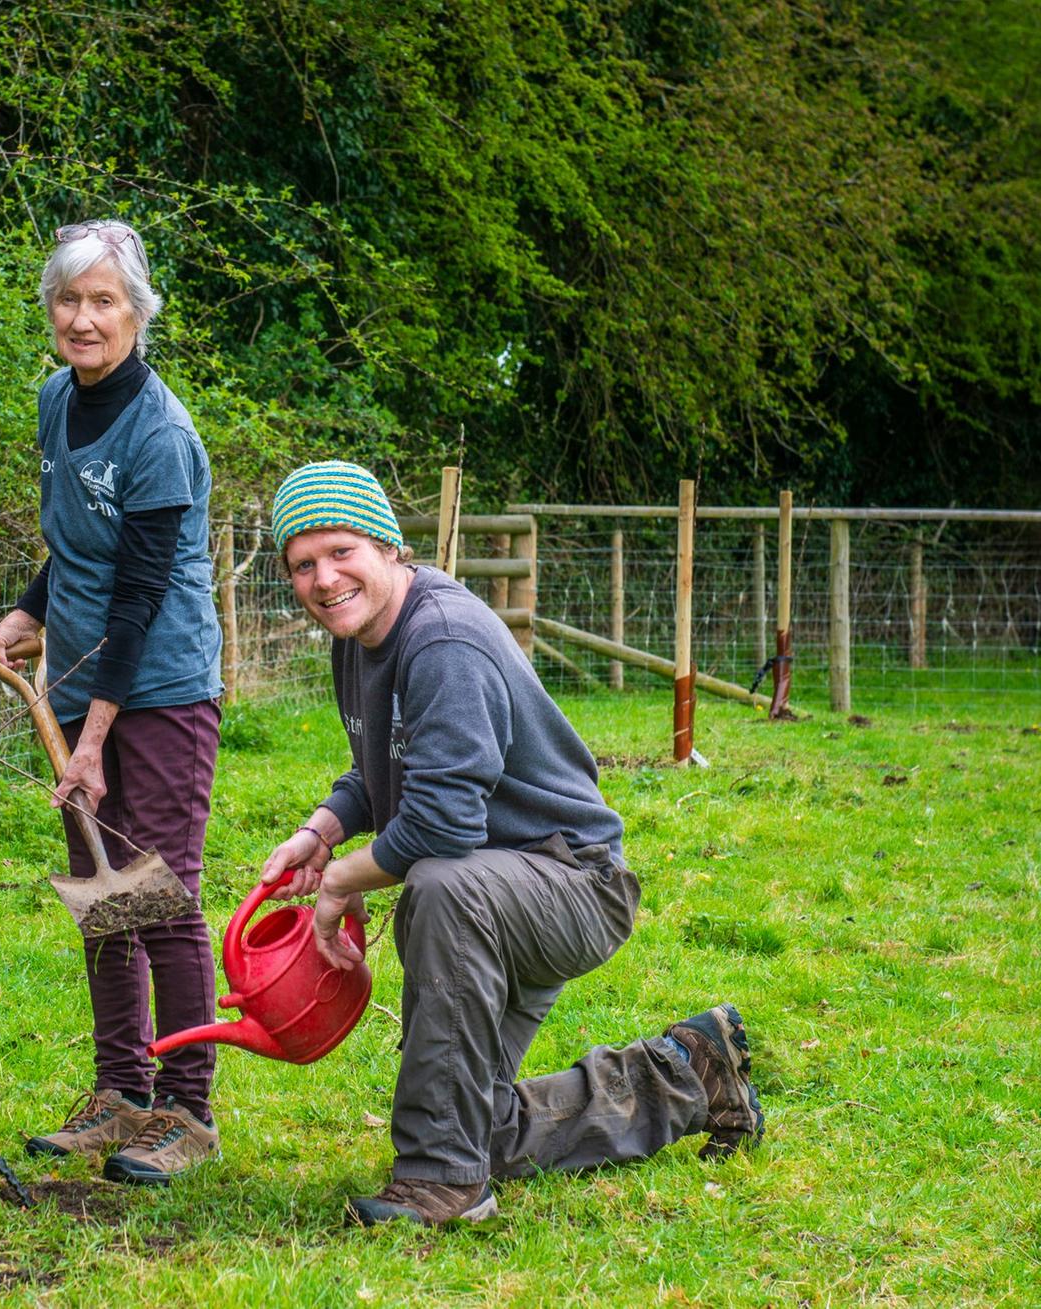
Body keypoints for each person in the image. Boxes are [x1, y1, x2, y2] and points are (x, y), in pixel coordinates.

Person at [258, 461, 765, 1228]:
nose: (324, 578)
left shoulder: (442, 640)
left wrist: (340, 885)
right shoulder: (359, 637)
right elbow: (391, 768)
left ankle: (442, 1187)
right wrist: (322, 829)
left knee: (437, 882)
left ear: (389, 546)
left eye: (342, 551)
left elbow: (442, 824)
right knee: (468, 1119)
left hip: (570, 883)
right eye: (303, 563)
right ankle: (686, 1074)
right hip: (500, 887)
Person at [0, 220, 225, 1185]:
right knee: (101, 898)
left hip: (156, 691)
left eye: (104, 301)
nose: (84, 318)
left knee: (156, 892)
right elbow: (77, 552)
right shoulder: (54, 400)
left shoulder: (160, 433)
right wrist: (25, 615)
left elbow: (141, 591)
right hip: (79, 685)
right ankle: (120, 1092)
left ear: (138, 314)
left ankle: (188, 1112)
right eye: (69, 301)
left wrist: (95, 740)